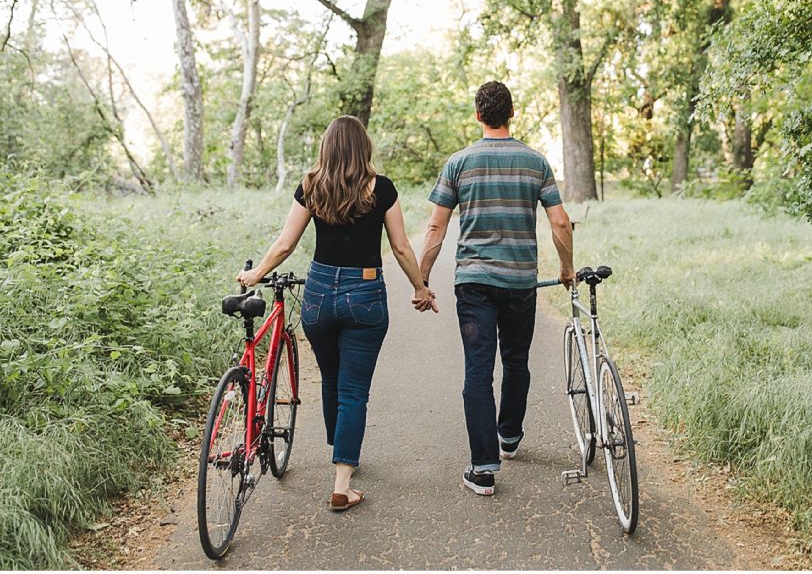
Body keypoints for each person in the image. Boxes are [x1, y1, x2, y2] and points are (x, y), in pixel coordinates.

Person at [239, 115, 436, 512]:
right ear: (364, 147)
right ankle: (342, 483)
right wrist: (420, 287)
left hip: (319, 294)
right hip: (364, 293)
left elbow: (285, 244)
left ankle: (340, 448)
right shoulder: (381, 188)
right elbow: (400, 247)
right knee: (353, 391)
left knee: (332, 378)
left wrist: (255, 274)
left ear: (327, 147)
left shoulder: (311, 186)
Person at [418, 80, 574, 497]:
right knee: (517, 361)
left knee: (478, 370)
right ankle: (509, 435)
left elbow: (436, 227)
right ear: (512, 113)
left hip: (474, 283)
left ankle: (483, 469)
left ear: (478, 115)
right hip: (520, 281)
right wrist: (566, 268)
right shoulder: (536, 162)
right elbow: (560, 222)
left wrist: (422, 280)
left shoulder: (459, 162)